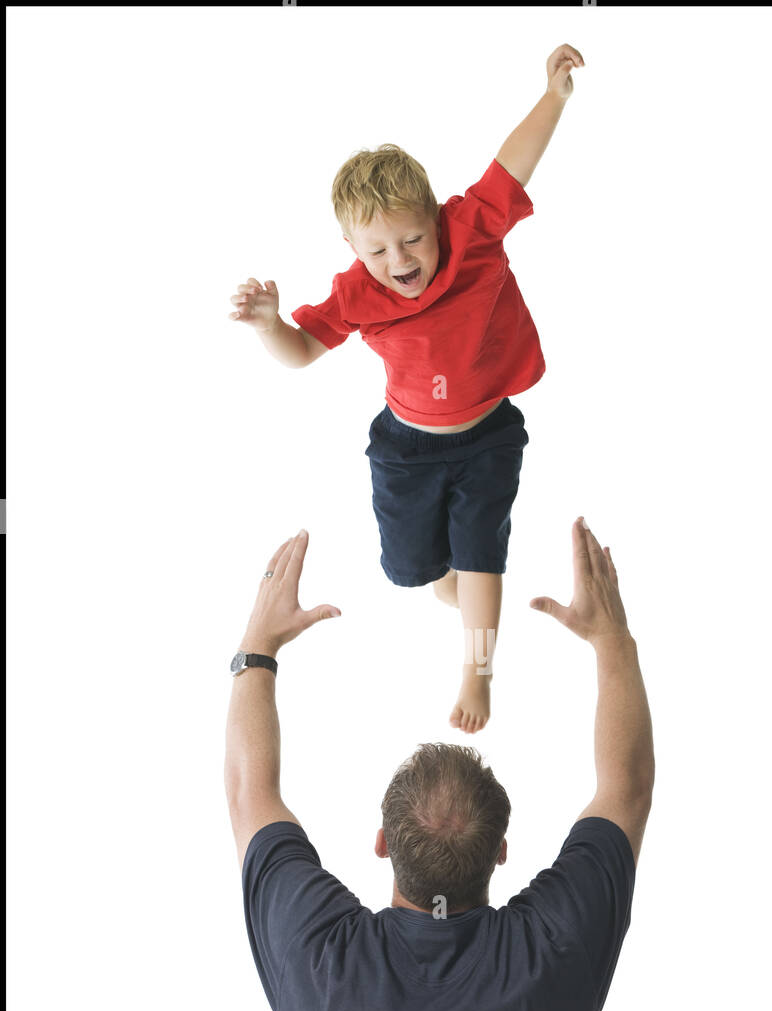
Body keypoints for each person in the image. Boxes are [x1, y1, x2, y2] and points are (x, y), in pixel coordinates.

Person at [224, 518, 654, 1011]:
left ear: (382, 844)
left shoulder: (324, 966)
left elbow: (251, 794)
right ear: (500, 851)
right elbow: (625, 788)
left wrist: (258, 648)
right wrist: (610, 640)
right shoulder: (552, 956)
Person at [228, 43, 585, 734]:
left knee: (481, 559)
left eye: (414, 239)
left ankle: (478, 669)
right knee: (415, 572)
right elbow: (301, 352)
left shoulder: (472, 229)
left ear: (435, 217)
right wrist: (270, 325)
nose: (401, 260)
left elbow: (514, 161)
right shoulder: (356, 293)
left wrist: (554, 96)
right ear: (352, 248)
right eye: (379, 250)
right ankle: (460, 588)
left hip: (488, 436)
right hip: (405, 450)